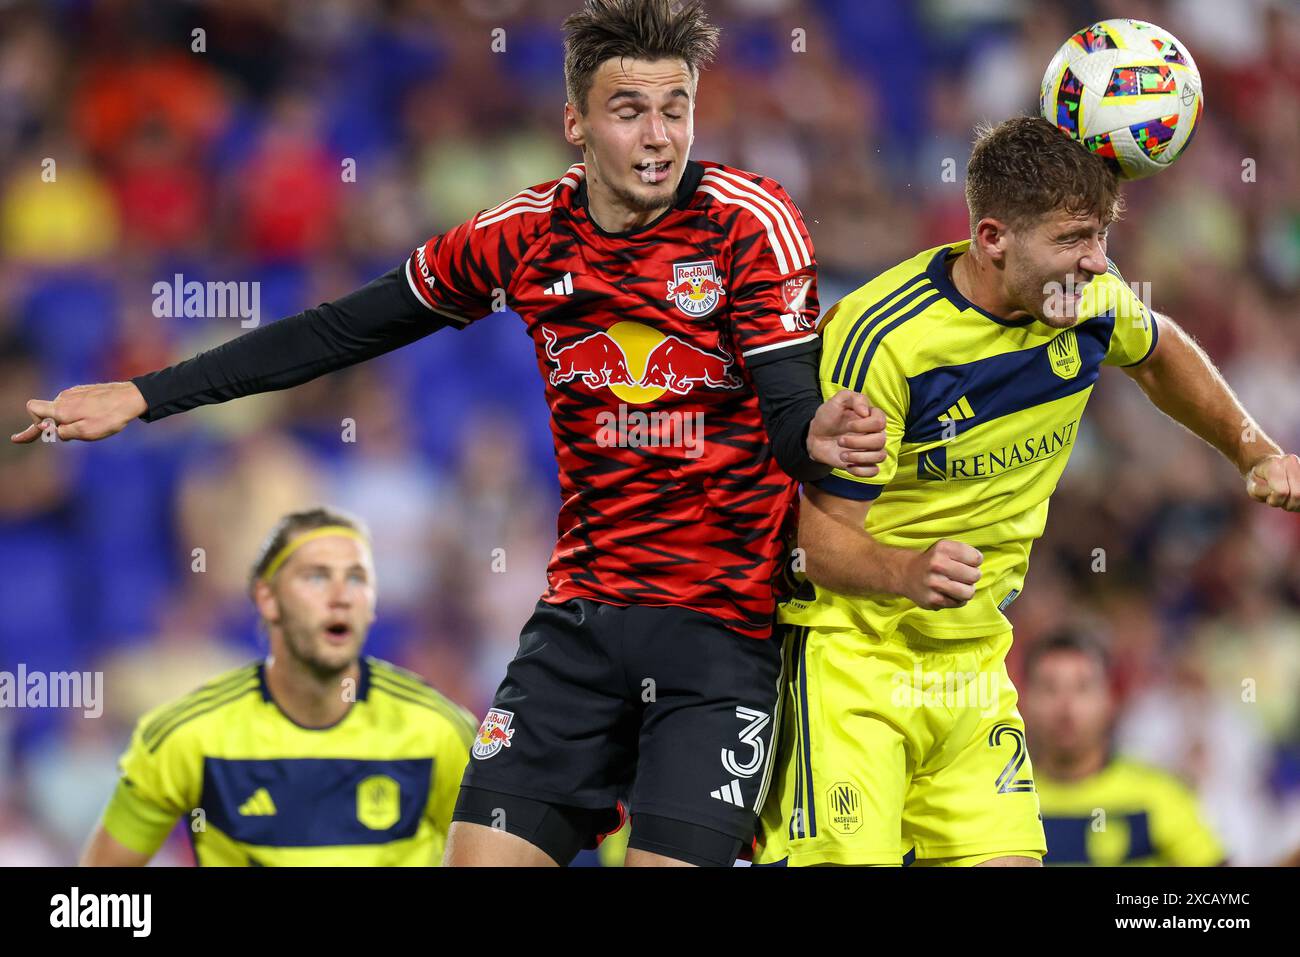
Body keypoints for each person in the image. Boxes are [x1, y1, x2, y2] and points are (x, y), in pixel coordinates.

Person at [18, 0, 886, 867]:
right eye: (629, 111)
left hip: (720, 631)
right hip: (581, 625)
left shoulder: (749, 221)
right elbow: (339, 330)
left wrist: (817, 429)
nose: (659, 137)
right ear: (576, 122)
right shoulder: (523, 236)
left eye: (676, 109)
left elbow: (783, 411)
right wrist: (145, 393)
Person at [756, 115, 1299, 868]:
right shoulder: (888, 339)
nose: (1097, 261)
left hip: (975, 661)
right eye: (1074, 239)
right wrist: (904, 571)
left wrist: (1253, 449)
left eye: (1103, 235)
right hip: (852, 658)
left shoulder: (1087, 302)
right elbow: (809, 538)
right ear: (992, 239)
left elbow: (1160, 350)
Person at [80, 508, 476, 866]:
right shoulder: (183, 736)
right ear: (268, 599)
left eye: (356, 578)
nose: (340, 597)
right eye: (316, 577)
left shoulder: (440, 731)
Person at [1021, 630, 1226, 866]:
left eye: (1083, 688)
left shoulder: (1157, 793)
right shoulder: (1003, 798)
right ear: (1024, 700)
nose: (1066, 708)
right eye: (1049, 688)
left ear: (1110, 700)